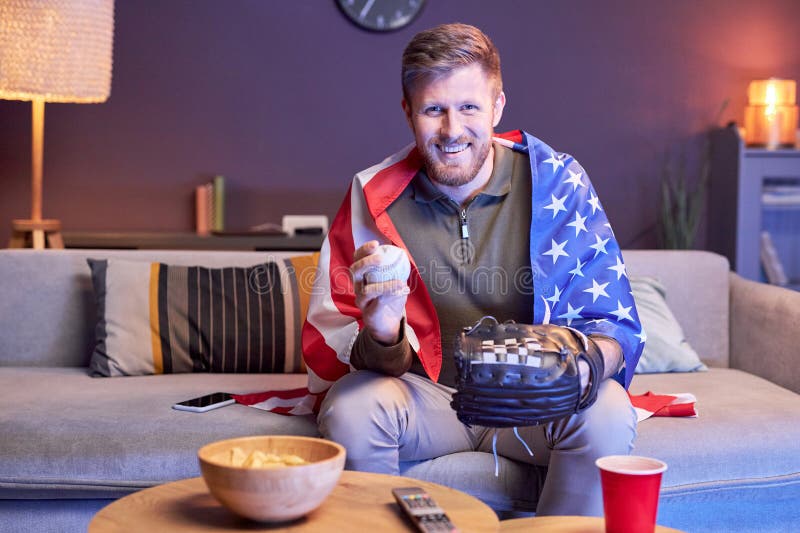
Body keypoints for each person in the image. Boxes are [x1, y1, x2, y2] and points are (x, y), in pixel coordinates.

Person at [301, 23, 644, 516]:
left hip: (535, 396)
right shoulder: (372, 195)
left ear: (498, 106)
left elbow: (616, 326)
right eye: (433, 109)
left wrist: (586, 364)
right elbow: (334, 354)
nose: (452, 130)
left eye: (469, 107)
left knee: (609, 410)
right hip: (425, 396)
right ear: (407, 112)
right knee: (353, 407)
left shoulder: (558, 183)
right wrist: (381, 330)